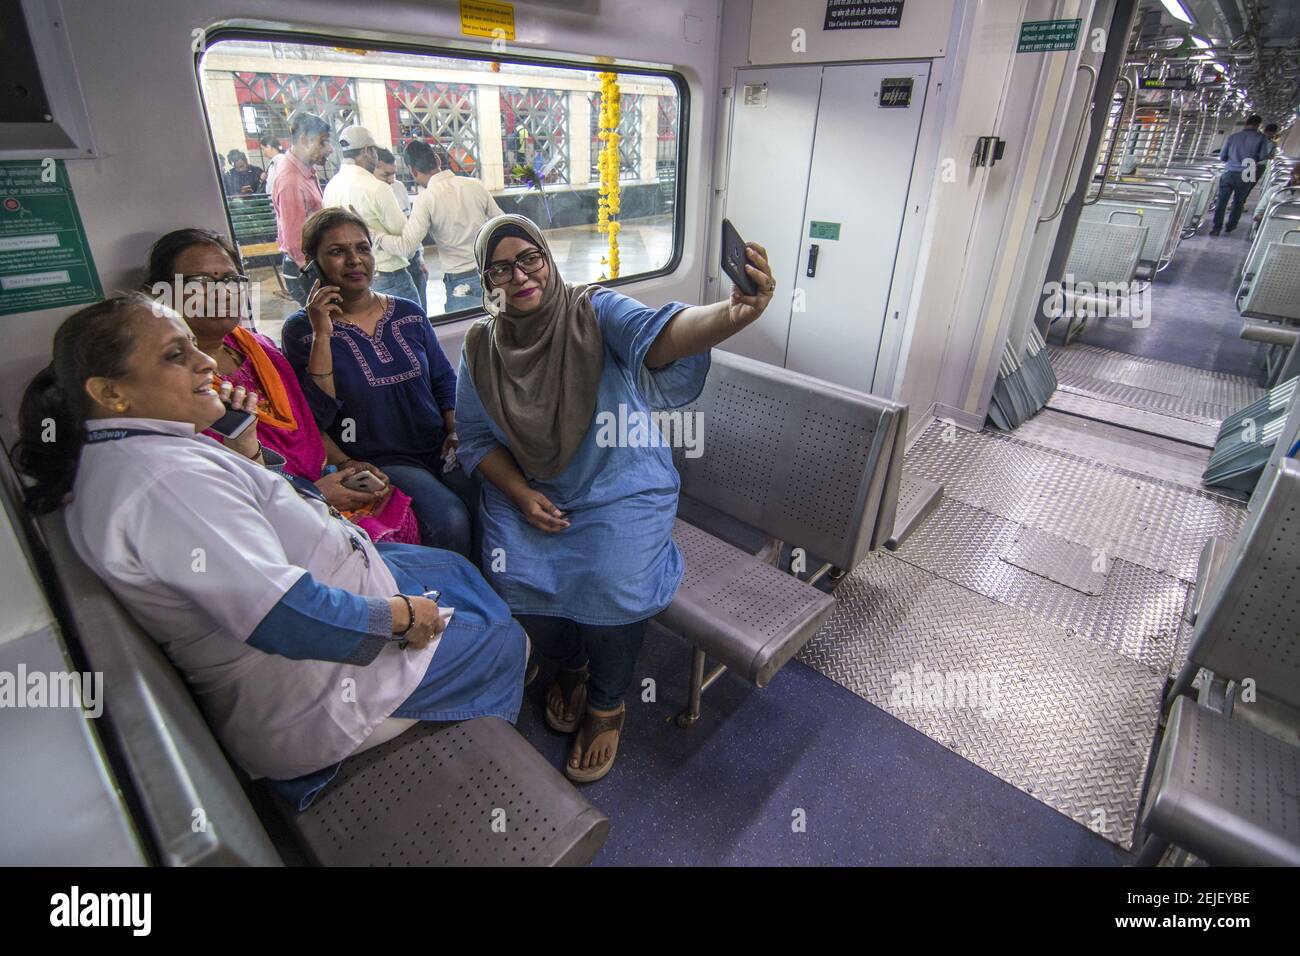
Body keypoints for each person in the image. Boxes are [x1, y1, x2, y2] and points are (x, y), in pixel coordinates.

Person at [15, 294, 525, 801]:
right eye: (175, 355)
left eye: (194, 346)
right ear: (110, 392)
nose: (206, 363)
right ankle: (480, 780)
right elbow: (286, 617)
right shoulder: (164, 483)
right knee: (506, 638)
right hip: (319, 692)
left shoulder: (150, 448)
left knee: (452, 566)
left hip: (327, 599)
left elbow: (257, 508)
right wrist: (403, 617)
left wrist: (247, 451)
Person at [454, 214, 776, 783]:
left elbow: (661, 337)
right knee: (509, 576)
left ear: (548, 260)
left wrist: (731, 315)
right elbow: (478, 439)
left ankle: (607, 701)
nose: (520, 275)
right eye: (501, 268)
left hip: (619, 480)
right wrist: (523, 494)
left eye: (530, 258)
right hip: (531, 489)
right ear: (488, 283)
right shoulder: (481, 345)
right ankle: (571, 664)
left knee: (610, 580)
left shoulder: (593, 311)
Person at [144, 226, 420, 545]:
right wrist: (312, 496)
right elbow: (219, 497)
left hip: (316, 481)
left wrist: (345, 462)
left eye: (230, 280)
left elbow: (306, 425)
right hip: (278, 518)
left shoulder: (260, 349)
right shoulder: (173, 388)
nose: (221, 293)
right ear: (161, 294)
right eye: (201, 283)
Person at [281, 208, 478, 558]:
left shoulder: (408, 312)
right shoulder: (302, 331)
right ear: (313, 265)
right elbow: (312, 417)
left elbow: (443, 380)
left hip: (438, 446)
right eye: (338, 251)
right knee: (450, 518)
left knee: (490, 491)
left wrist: (454, 431)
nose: (355, 260)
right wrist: (345, 463)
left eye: (363, 248)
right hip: (378, 459)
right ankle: (448, 605)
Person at [373, 139, 504, 313]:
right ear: (437, 160)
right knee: (503, 329)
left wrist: (376, 236)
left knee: (467, 335)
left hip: (460, 284)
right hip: (493, 276)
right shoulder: (474, 185)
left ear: (413, 170)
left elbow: (407, 247)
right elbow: (503, 224)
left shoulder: (426, 200)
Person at [321, 126, 421, 302]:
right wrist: (371, 234)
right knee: (409, 328)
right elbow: (407, 246)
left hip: (351, 280)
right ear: (367, 151)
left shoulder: (331, 188)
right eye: (375, 150)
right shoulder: (376, 188)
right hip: (390, 278)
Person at [271, 111, 332, 306]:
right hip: (306, 270)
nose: (329, 149)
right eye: (323, 143)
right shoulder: (291, 181)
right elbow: (296, 242)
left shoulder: (304, 173)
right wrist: (319, 277)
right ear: (305, 140)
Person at [374, 147, 429, 313]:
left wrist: (420, 257)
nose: (391, 179)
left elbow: (410, 225)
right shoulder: (372, 192)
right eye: (386, 175)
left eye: (394, 173)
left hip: (413, 259)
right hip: (392, 269)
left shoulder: (398, 187)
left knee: (421, 313)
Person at [1212, 115, 1274, 235]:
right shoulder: (1261, 139)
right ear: (1258, 125)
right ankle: (1231, 226)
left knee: (1222, 201)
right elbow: (1262, 156)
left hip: (1229, 172)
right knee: (1238, 202)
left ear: (1246, 123)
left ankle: (1216, 227)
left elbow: (1222, 157)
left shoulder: (1233, 137)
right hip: (1248, 172)